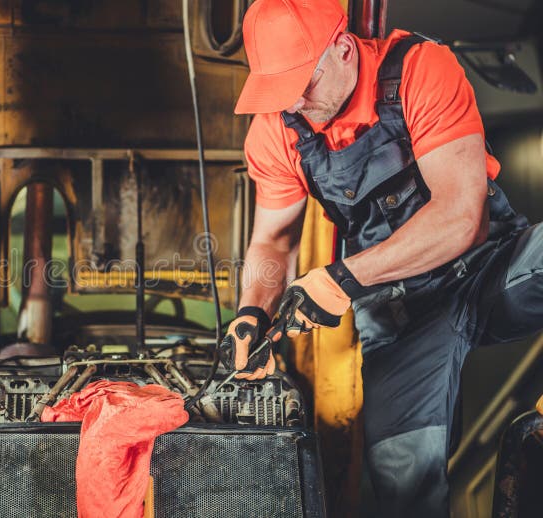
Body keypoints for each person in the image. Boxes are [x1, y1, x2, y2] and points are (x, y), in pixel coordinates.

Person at [219, 0, 543, 516]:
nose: (296, 103)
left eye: (305, 83)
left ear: (344, 49)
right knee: (404, 485)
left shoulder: (420, 69)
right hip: (400, 316)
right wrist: (252, 311)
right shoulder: (275, 130)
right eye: (282, 91)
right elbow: (273, 241)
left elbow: (462, 216)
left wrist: (341, 280)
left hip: (487, 268)